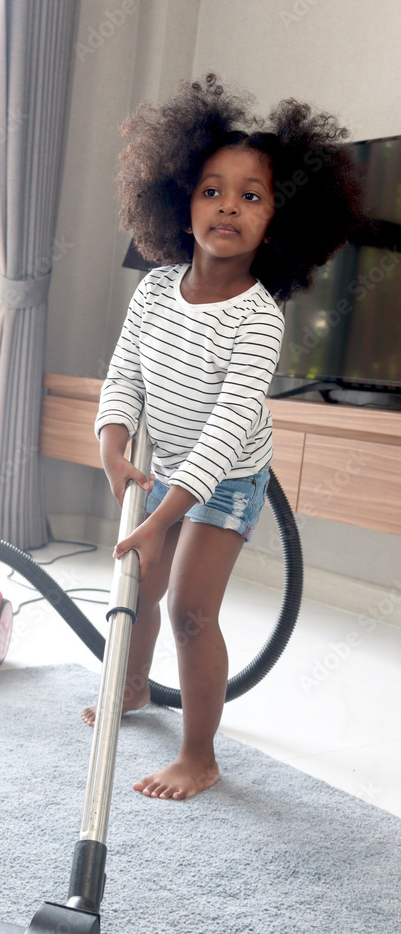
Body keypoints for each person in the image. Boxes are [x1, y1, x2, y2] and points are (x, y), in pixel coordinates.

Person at [82, 74, 365, 801]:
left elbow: (222, 433)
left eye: (251, 195)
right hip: (165, 465)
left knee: (188, 608)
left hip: (225, 476)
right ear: (179, 199)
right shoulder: (152, 289)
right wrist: (112, 444)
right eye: (211, 189)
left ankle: (199, 755)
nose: (227, 206)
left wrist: (159, 519)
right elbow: (122, 380)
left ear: (280, 220)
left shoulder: (256, 318)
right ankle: (133, 687)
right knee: (137, 589)